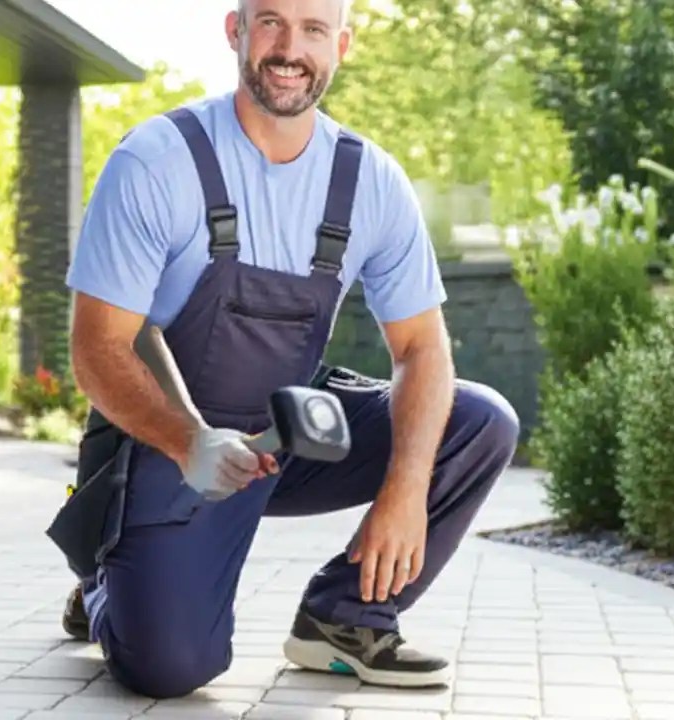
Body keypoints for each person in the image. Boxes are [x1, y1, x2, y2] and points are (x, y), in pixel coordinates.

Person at [53, 0, 520, 700]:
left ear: (342, 46)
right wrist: (189, 442)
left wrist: (405, 488)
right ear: (235, 31)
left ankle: (345, 619)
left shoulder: (370, 181)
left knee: (479, 421)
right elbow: (97, 350)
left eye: (313, 30)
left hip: (285, 434)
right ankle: (101, 588)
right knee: (171, 669)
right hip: (163, 445)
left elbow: (422, 348)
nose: (289, 48)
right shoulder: (157, 160)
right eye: (270, 21)